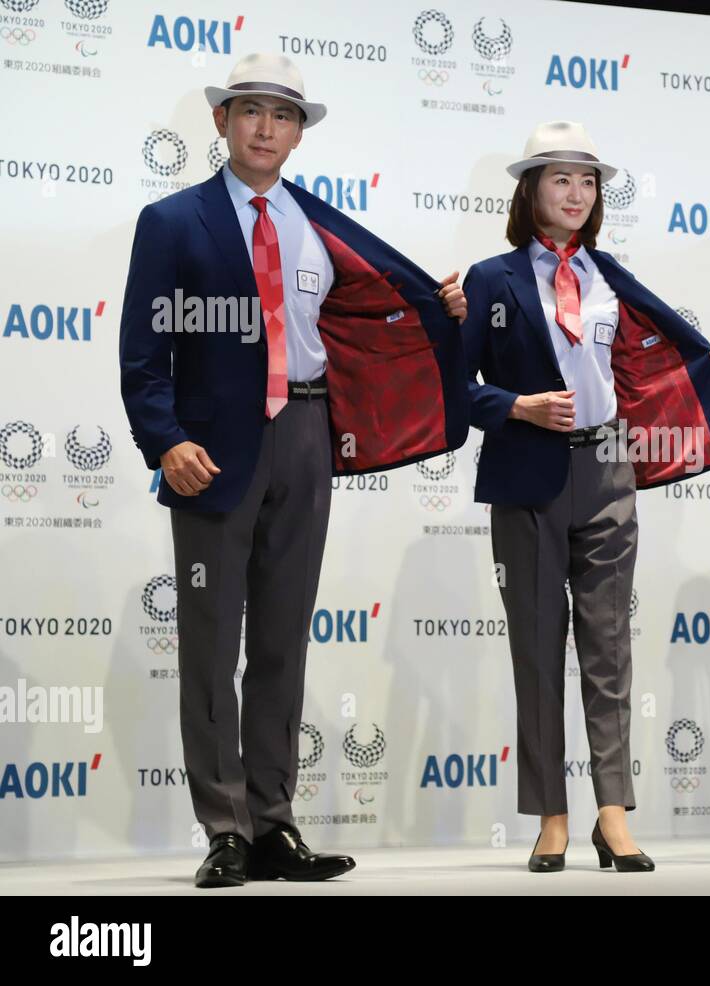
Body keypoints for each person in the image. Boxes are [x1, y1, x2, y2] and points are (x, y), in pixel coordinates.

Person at [119, 53, 469, 888]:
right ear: (221, 123)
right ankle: (224, 828)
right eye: (250, 111)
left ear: (300, 133)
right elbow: (143, 354)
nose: (266, 127)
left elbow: (370, 314)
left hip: (307, 434)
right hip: (211, 454)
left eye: (283, 115)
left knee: (282, 643)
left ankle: (273, 825)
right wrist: (164, 439)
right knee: (211, 649)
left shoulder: (318, 225)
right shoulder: (172, 222)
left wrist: (438, 310)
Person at [461, 121, 710, 873]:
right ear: (530, 191)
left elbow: (658, 345)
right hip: (527, 473)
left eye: (588, 181)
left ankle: (612, 814)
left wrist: (707, 362)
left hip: (610, 469)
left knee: (609, 649)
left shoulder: (609, 272)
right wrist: (515, 407)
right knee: (538, 650)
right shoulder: (490, 279)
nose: (576, 194)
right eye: (560, 179)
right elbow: (453, 390)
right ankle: (552, 816)